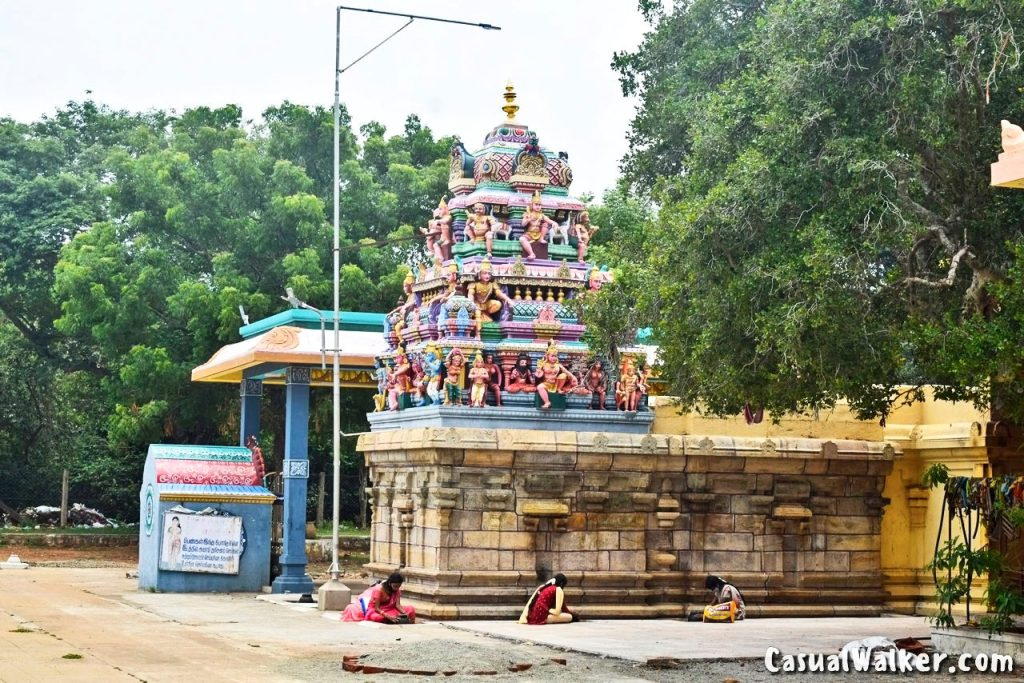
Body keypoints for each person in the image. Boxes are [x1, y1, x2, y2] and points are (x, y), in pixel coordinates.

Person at [341, 572, 417, 624]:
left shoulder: (396, 590)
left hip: (391, 609)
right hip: (378, 610)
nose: (397, 588)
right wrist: (387, 616)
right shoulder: (379, 590)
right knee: (378, 618)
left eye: (399, 586)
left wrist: (404, 613)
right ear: (390, 583)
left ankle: (394, 619)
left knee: (411, 609)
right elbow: (376, 608)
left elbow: (397, 605)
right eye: (395, 586)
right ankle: (390, 619)